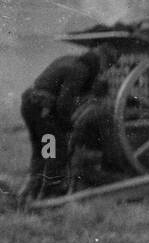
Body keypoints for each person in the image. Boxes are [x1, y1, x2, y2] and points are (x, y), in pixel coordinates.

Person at [19, 44, 116, 200]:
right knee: (55, 147)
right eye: (105, 67)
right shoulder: (81, 70)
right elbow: (64, 104)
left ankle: (32, 189)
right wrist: (68, 126)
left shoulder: (69, 60)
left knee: (41, 149)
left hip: (30, 105)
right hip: (43, 109)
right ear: (100, 62)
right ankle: (50, 191)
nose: (102, 72)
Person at [67, 79, 131, 192]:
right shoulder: (103, 113)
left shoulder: (83, 108)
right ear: (109, 93)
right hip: (90, 165)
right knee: (127, 182)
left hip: (74, 162)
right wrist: (124, 167)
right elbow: (112, 148)